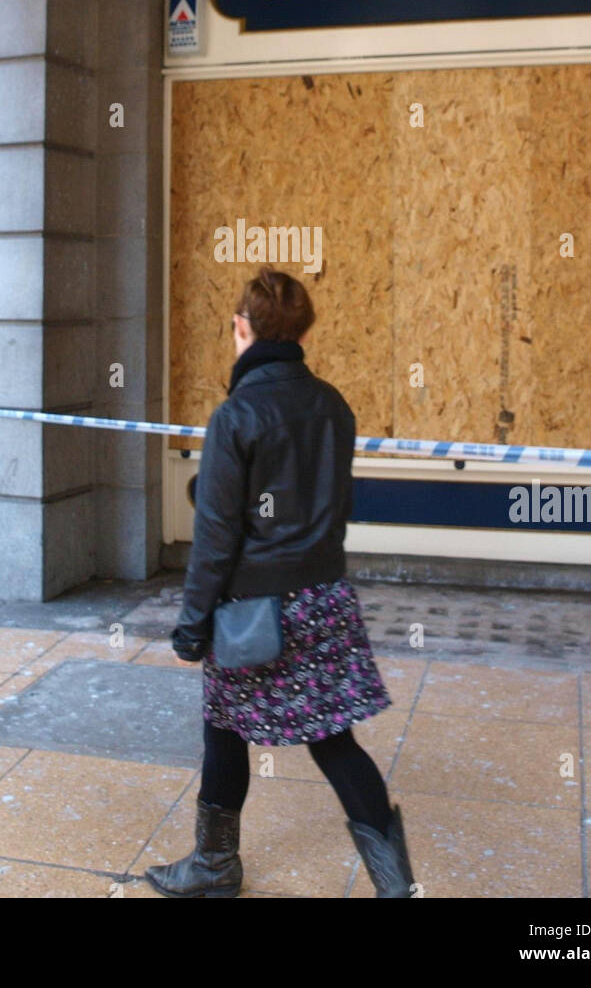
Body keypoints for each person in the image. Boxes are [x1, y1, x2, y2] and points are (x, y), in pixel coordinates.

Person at [146, 265, 415, 899]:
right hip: (324, 599)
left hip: (252, 611)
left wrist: (192, 628)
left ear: (243, 327)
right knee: (333, 739)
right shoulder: (333, 406)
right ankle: (396, 884)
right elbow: (330, 506)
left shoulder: (235, 416)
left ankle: (215, 867)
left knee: (224, 727)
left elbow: (215, 541)